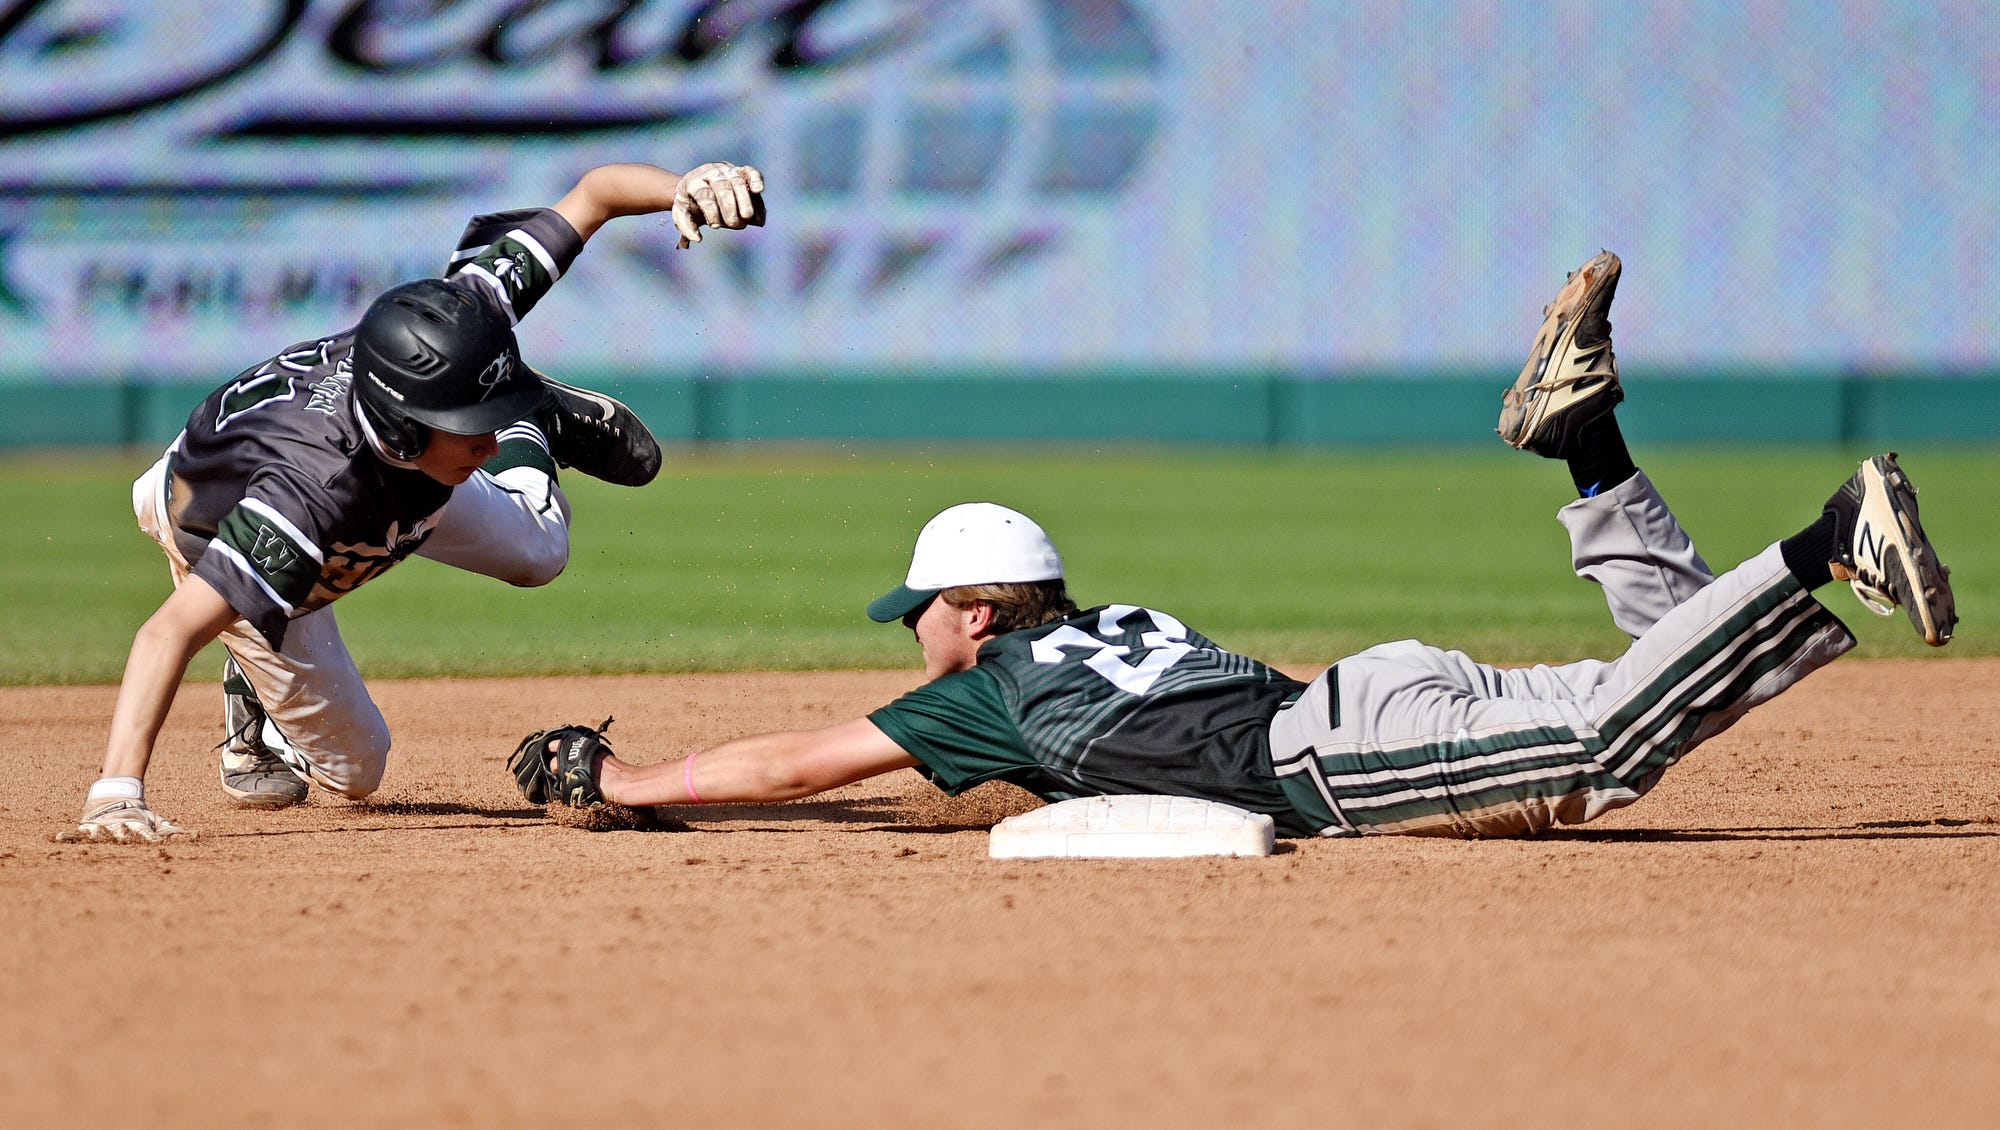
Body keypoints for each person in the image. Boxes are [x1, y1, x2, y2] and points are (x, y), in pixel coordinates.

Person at [511, 250, 1957, 839]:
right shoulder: (1110, 623)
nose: (916, 633)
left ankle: (1824, 539)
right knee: (1683, 666)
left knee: (1606, 744)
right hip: (1370, 698)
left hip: (1334, 754)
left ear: (976, 609)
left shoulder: (987, 687)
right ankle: (1584, 443)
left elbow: (796, 765)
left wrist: (626, 779)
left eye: (921, 611)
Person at [55, 160, 769, 844]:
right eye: (475, 422)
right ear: (401, 429)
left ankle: (534, 416)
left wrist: (686, 186)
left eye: (493, 413)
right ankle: (256, 660)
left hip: (378, 474)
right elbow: (167, 632)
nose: (486, 441)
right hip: (228, 528)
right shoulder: (310, 496)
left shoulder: (454, 324)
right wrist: (117, 793)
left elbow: (597, 193)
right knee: (356, 772)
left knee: (541, 550)